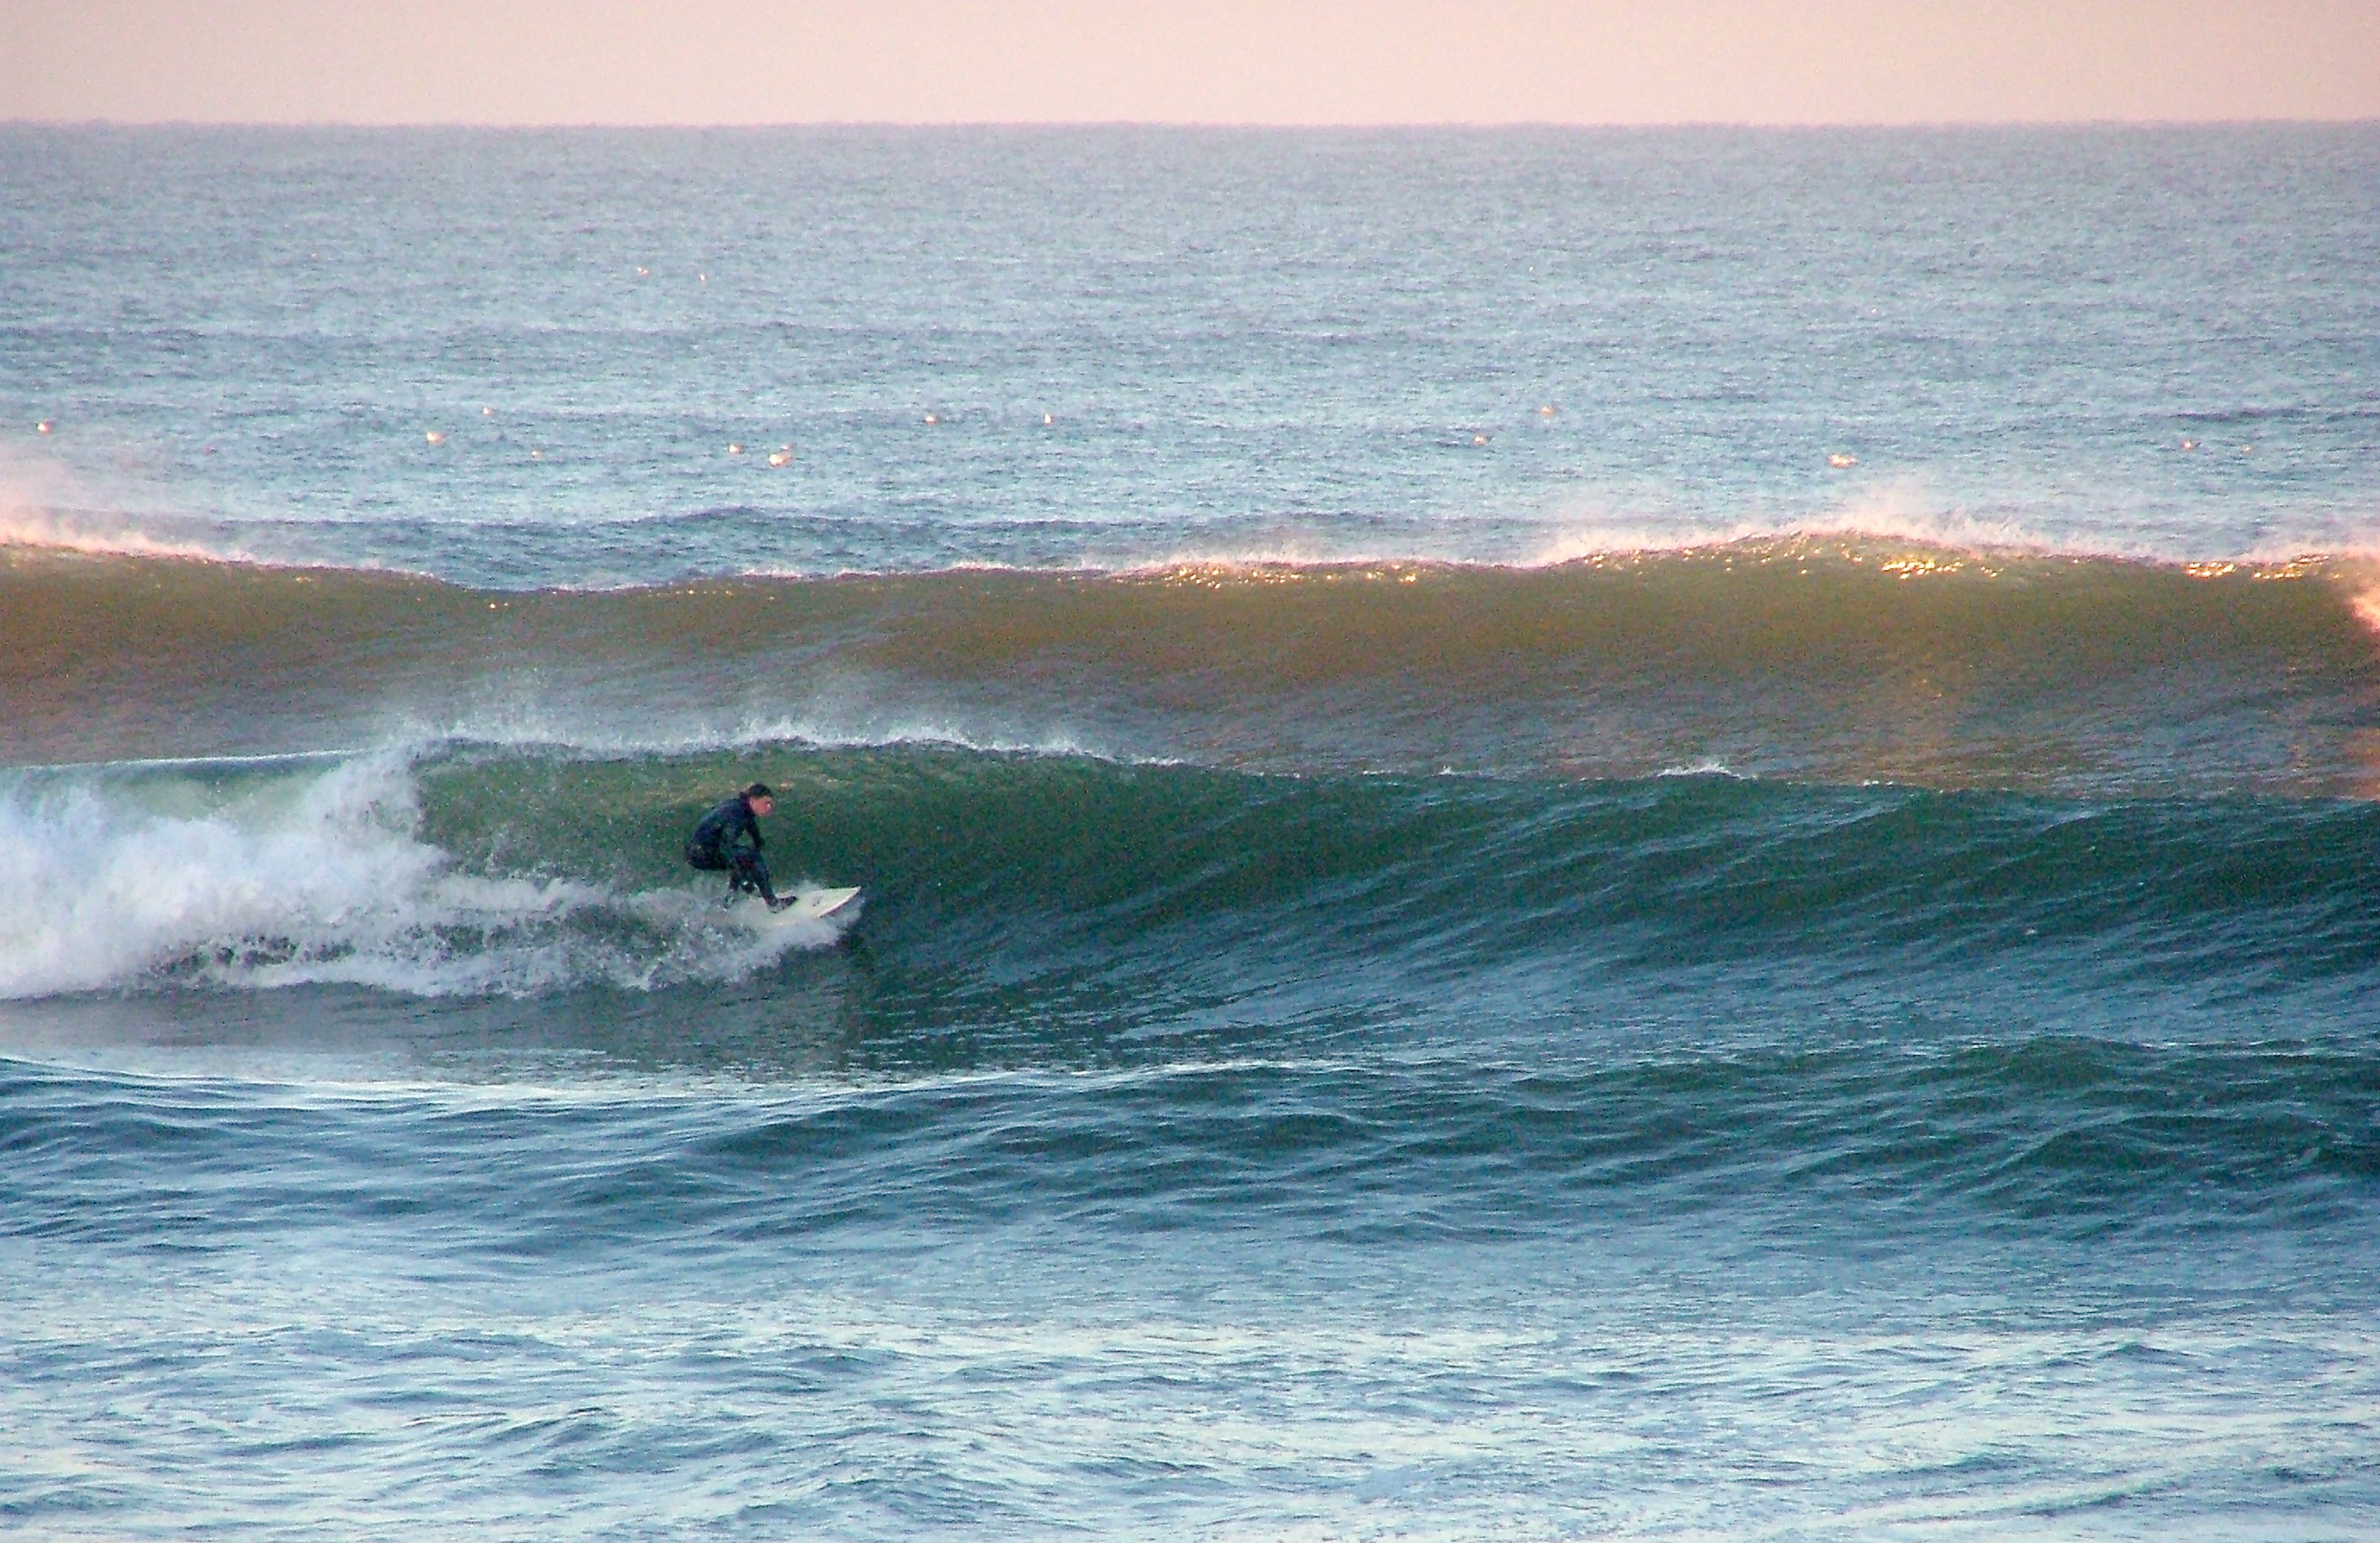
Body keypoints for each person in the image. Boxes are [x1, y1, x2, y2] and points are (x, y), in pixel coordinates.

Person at [686, 782, 790, 910]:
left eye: (771, 804)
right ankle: (773, 904)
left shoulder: (743, 810)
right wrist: (745, 880)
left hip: (700, 851)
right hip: (701, 853)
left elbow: (754, 835)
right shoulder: (736, 813)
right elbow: (726, 846)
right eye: (766, 803)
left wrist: (759, 846)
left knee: (745, 857)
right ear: (753, 800)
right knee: (748, 857)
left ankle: (729, 902)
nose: (769, 808)